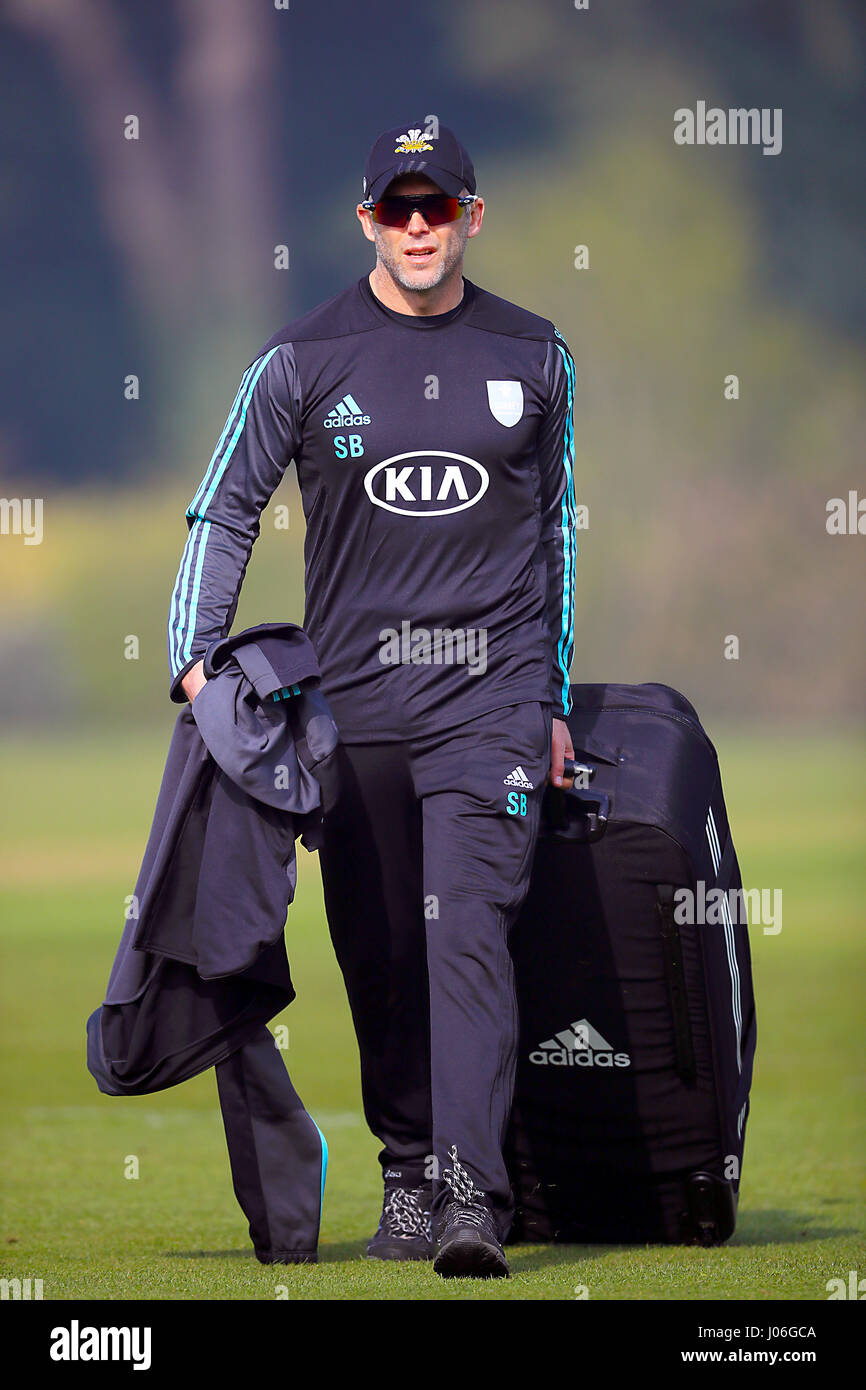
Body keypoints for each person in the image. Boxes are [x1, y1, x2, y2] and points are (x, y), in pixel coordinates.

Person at [167, 121, 576, 1279]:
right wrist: (194, 660)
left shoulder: (534, 353)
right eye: (395, 210)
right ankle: (405, 1174)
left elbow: (557, 538)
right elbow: (225, 507)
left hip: (485, 702)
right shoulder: (300, 358)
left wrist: (544, 696)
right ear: (363, 223)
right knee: (383, 945)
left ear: (470, 218)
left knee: (468, 929)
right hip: (354, 707)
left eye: (435, 208)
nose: (415, 228)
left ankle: (467, 1198)